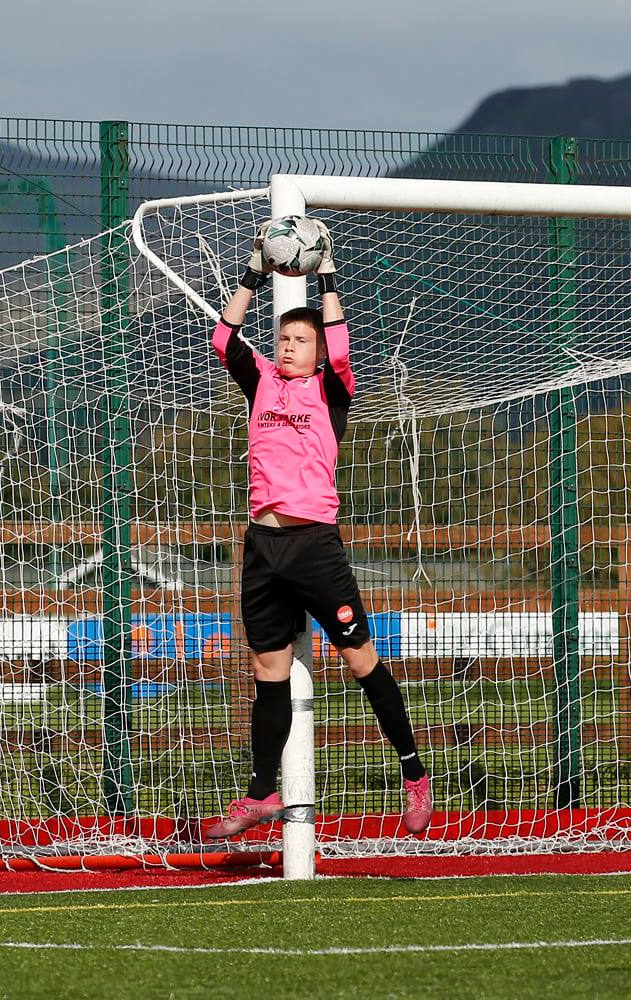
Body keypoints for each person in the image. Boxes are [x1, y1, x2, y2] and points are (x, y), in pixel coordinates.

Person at [202, 219, 432, 839]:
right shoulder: (262, 384)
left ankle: (414, 776)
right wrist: (254, 272)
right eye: (283, 338)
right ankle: (260, 796)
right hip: (262, 549)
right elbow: (224, 339)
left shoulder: (332, 390)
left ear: (317, 350)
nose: (287, 347)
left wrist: (324, 272)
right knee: (267, 676)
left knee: (363, 662)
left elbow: (337, 338)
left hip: (313, 547)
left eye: (298, 340)